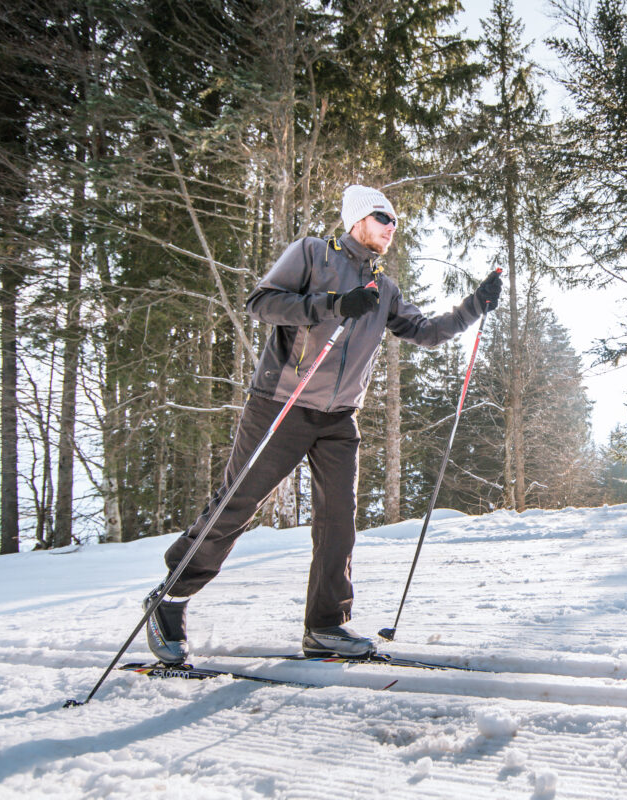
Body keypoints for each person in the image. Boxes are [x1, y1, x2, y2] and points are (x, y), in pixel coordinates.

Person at [145, 184, 502, 664]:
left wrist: (475, 305)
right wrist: (331, 304)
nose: (392, 228)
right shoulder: (312, 254)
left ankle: (326, 625)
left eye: (396, 221)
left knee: (339, 521)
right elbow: (262, 303)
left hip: (339, 418)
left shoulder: (384, 289)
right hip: (281, 404)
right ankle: (170, 599)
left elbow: (428, 332)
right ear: (356, 218)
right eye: (383, 217)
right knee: (237, 504)